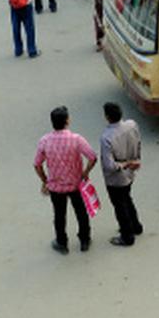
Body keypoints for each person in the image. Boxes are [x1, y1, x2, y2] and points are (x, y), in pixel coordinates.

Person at [34, 106, 98, 255]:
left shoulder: (45, 141)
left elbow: (37, 164)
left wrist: (45, 181)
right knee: (81, 212)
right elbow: (93, 157)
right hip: (75, 184)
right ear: (67, 121)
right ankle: (84, 240)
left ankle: (61, 242)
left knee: (59, 215)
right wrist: (84, 173)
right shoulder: (76, 139)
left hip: (56, 187)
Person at [101, 102, 143, 247]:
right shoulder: (132, 125)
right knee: (127, 197)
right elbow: (138, 143)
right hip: (131, 172)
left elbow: (109, 165)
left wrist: (124, 164)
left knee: (119, 205)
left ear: (107, 117)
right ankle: (135, 226)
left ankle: (127, 236)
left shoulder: (107, 137)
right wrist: (135, 161)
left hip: (116, 178)